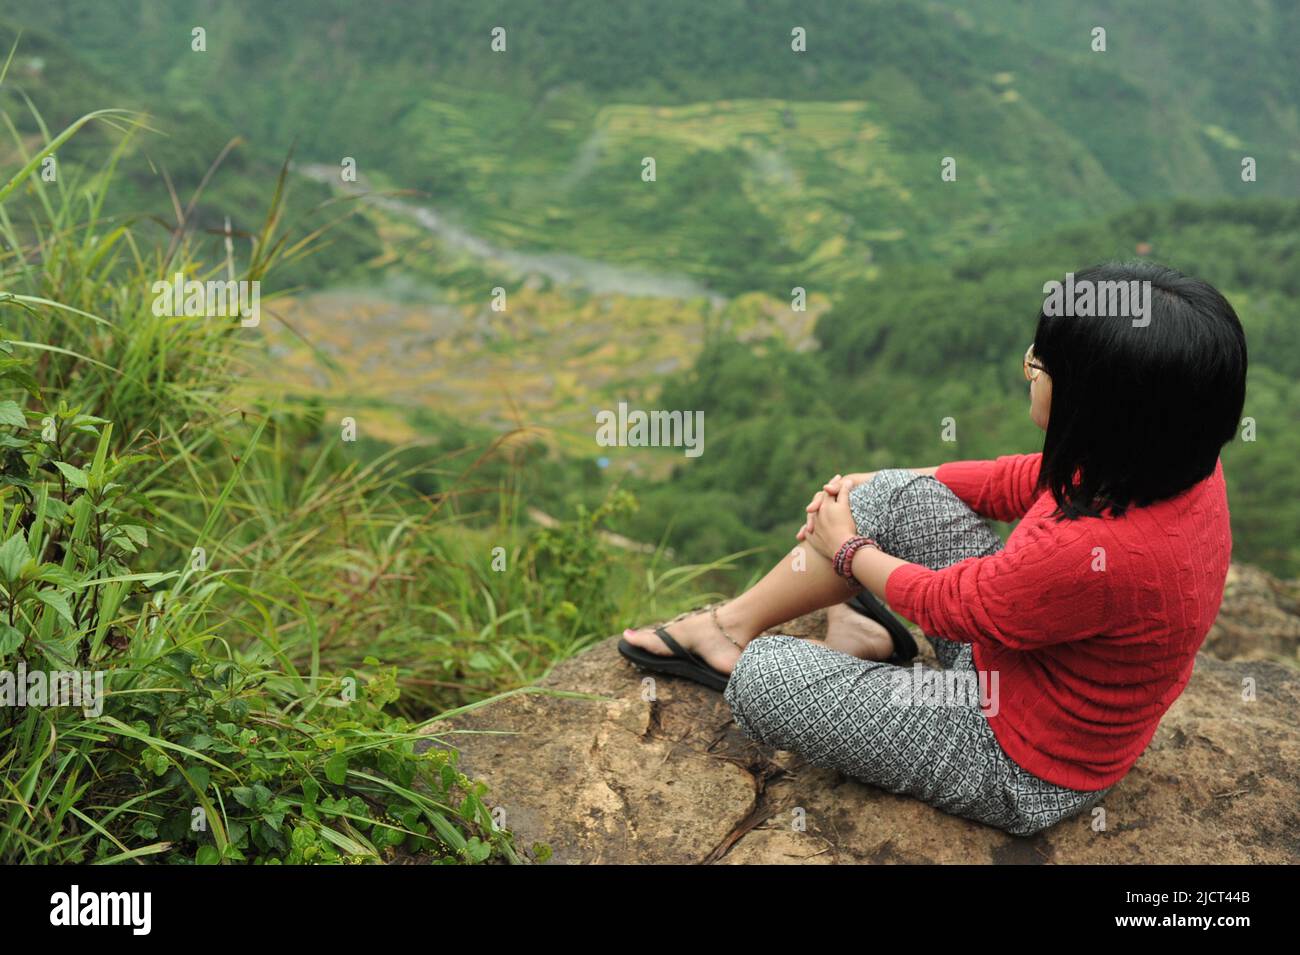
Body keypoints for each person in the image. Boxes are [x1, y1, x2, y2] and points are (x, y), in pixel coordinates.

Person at [619, 261, 1247, 835]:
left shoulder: (1096, 555)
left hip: (1016, 759)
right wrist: (898, 482)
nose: (1028, 368)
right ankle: (741, 627)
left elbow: (958, 607)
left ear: (1096, 406)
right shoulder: (1172, 462)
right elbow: (1018, 481)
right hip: (1015, 666)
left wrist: (850, 553)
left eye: (1039, 364)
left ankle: (800, 644)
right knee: (898, 494)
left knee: (766, 678)